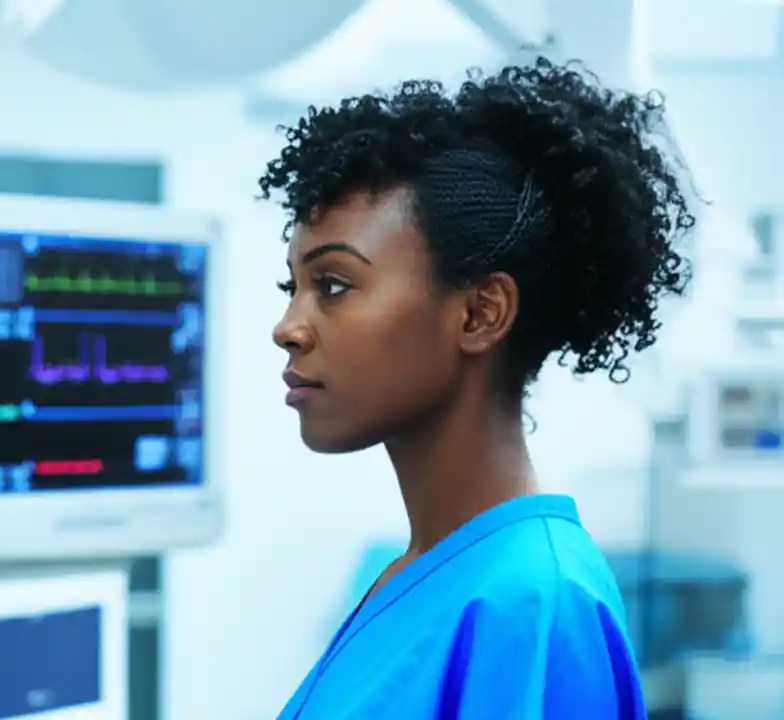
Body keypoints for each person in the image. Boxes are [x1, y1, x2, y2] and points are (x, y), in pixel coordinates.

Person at [263, 57, 693, 719]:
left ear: (480, 313)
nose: (288, 328)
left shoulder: (537, 602)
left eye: (334, 286)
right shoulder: (418, 573)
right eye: (291, 288)